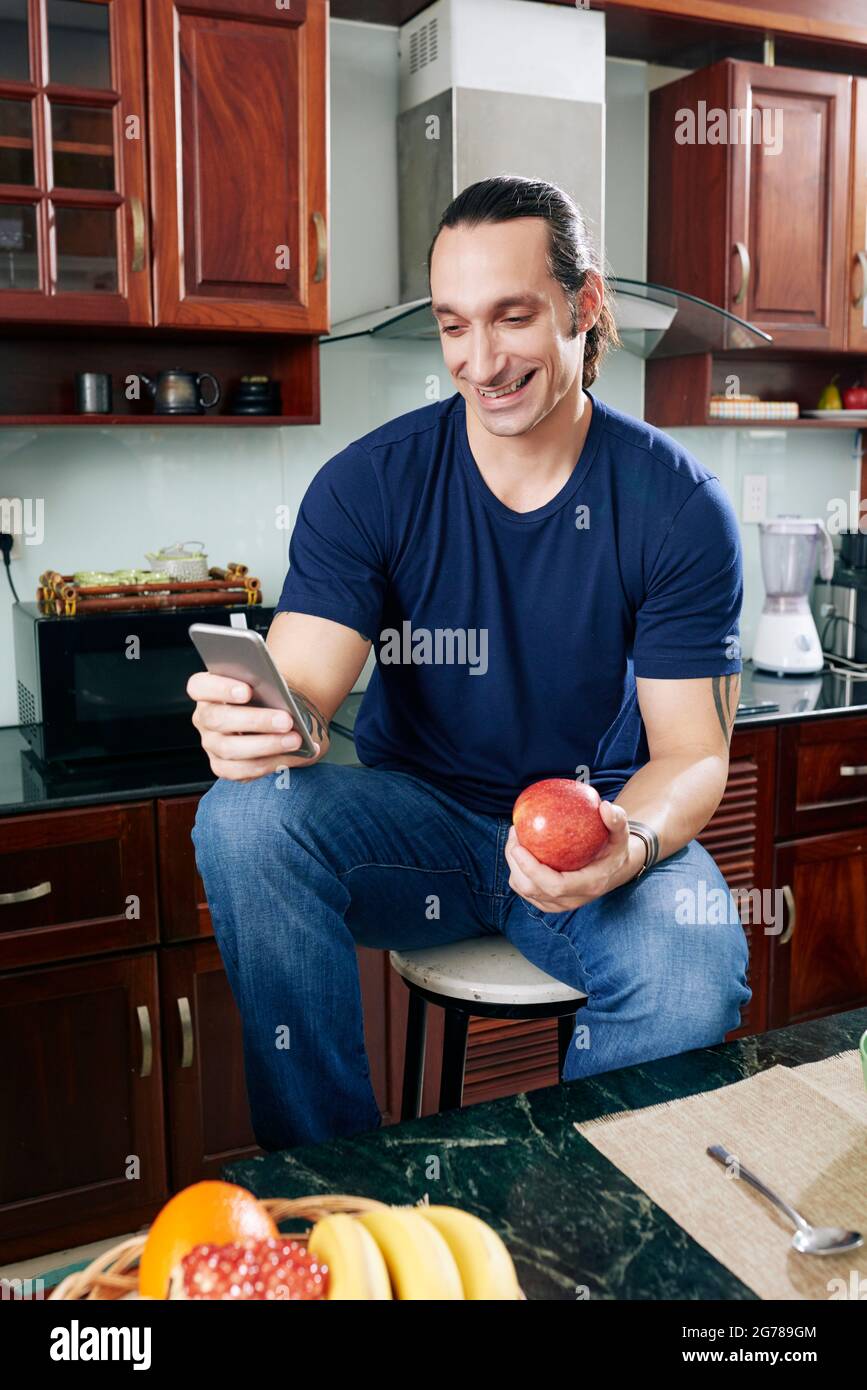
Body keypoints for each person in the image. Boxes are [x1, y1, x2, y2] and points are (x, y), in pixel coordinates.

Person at [189, 175, 751, 1152]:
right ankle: (339, 1199)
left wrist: (631, 845)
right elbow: (305, 696)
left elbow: (693, 754)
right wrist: (259, 725)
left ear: (587, 307)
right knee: (242, 818)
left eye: (513, 317)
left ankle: (588, 1222)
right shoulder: (370, 484)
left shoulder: (677, 505)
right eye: (454, 326)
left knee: (695, 965)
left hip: (598, 829)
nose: (481, 361)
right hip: (422, 833)